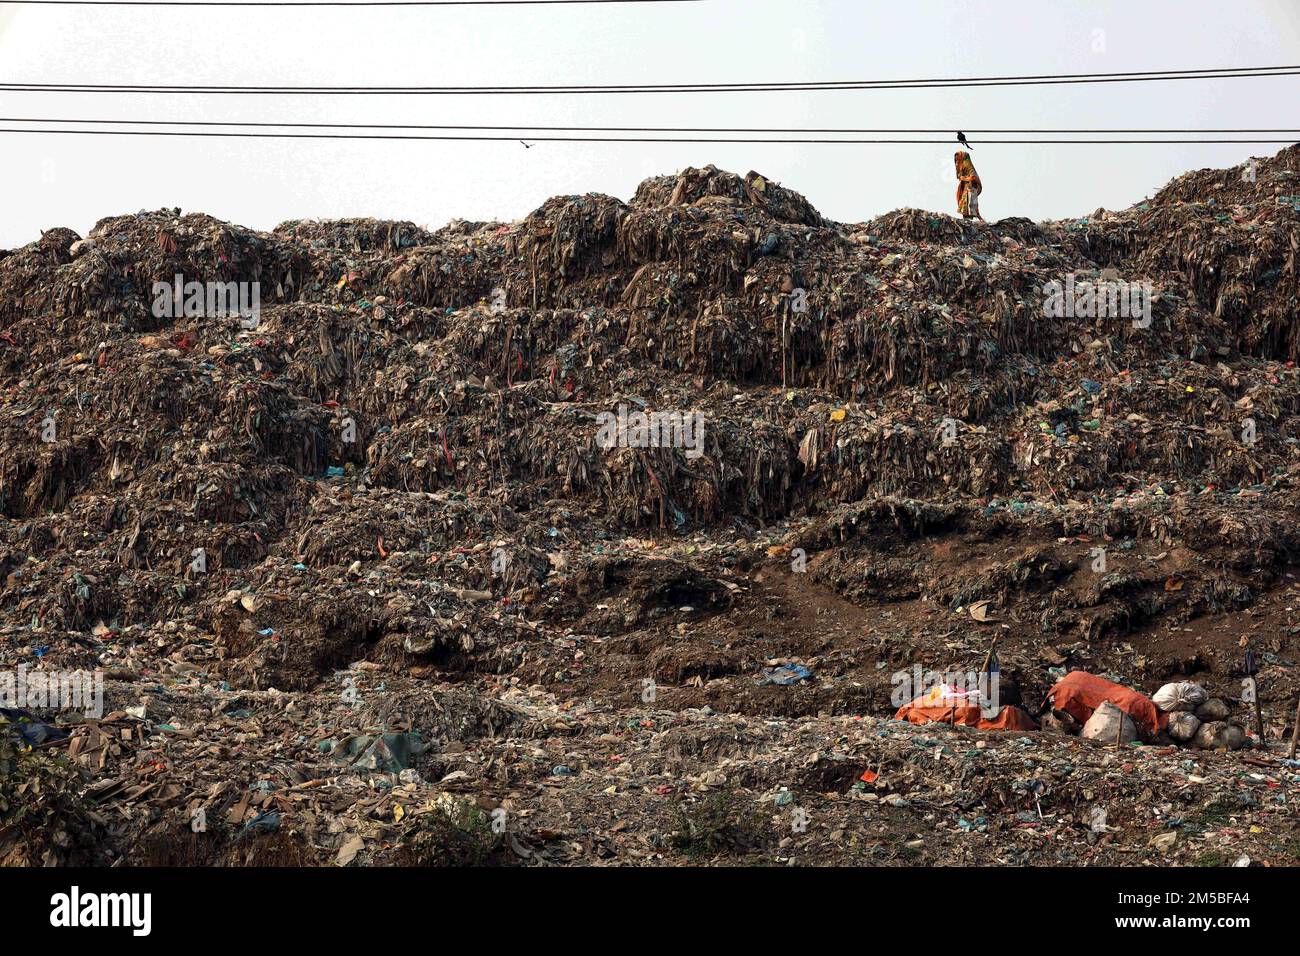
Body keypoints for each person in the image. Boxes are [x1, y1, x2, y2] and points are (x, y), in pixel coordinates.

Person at [954, 150, 984, 221]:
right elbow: (959, 176)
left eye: (957, 159)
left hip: (970, 188)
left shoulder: (968, 165)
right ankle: (968, 220)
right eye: (955, 160)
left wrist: (965, 178)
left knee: (970, 206)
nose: (956, 162)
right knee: (965, 207)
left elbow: (973, 177)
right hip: (965, 188)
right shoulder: (961, 166)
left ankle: (977, 219)